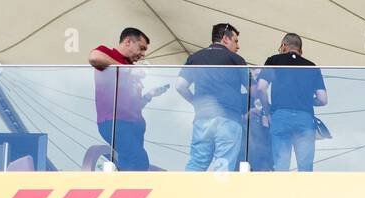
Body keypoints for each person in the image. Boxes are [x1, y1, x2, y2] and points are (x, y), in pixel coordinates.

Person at [89, 28, 166, 171]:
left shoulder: (132, 69)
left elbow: (134, 106)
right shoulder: (109, 54)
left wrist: (149, 95)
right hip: (116, 124)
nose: (143, 55)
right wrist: (127, 69)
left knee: (129, 164)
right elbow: (94, 57)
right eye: (141, 48)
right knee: (139, 161)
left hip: (133, 126)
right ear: (127, 41)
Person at [177, 23, 249, 172]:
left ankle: (186, 194)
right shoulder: (236, 59)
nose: (238, 46)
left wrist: (197, 103)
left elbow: (179, 85)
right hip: (228, 117)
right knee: (223, 164)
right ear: (225, 38)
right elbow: (253, 89)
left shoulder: (195, 57)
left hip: (203, 117)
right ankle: (218, 195)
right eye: (235, 41)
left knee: (196, 163)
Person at [258, 33, 328, 172]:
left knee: (281, 165)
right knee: (305, 167)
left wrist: (268, 111)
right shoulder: (311, 66)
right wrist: (308, 100)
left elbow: (261, 88)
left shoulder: (274, 60)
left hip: (280, 116)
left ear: (284, 46)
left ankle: (282, 193)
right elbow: (323, 98)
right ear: (300, 50)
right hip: (305, 118)